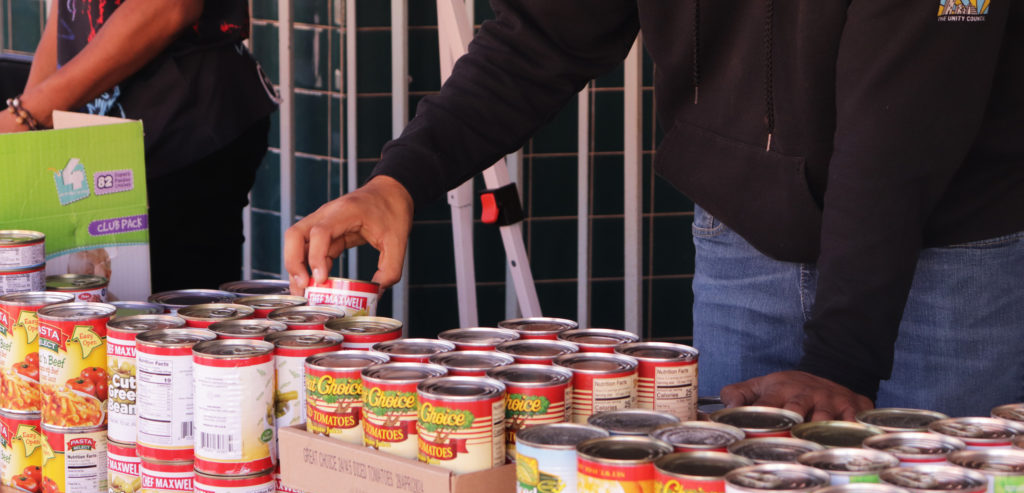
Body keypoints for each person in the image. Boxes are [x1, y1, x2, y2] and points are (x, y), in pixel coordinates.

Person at [284, 2, 1024, 420]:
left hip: (947, 265)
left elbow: (900, 140)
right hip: (746, 242)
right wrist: (400, 179)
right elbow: (541, 35)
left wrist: (840, 362)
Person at [1, 0, 276, 292]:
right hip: (104, 137)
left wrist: (26, 115)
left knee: (168, 311)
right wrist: (24, 136)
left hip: (178, 128)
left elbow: (171, 6)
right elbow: (67, 12)